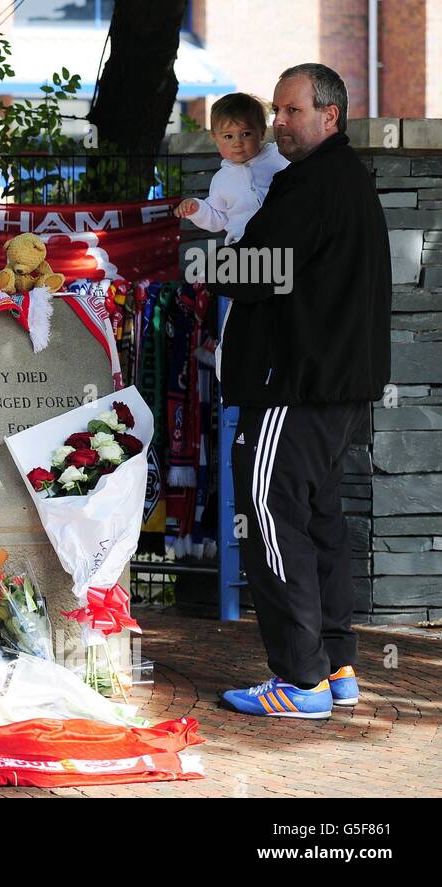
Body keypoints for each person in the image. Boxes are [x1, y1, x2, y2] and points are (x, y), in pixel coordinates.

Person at [216, 64, 390, 720]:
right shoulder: (346, 180)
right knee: (318, 518)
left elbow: (252, 272)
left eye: (291, 112)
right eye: (276, 110)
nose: (278, 123)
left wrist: (203, 258)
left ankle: (300, 679)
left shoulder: (312, 185)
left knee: (269, 511)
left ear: (329, 117)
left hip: (295, 384)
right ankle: (337, 666)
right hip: (339, 387)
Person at [174, 92, 288, 246]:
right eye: (228, 136)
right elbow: (217, 218)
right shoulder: (222, 179)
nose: (237, 143)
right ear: (215, 137)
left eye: (246, 134)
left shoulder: (279, 156)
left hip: (285, 238)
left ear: (261, 132)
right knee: (214, 268)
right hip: (243, 245)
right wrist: (197, 208)